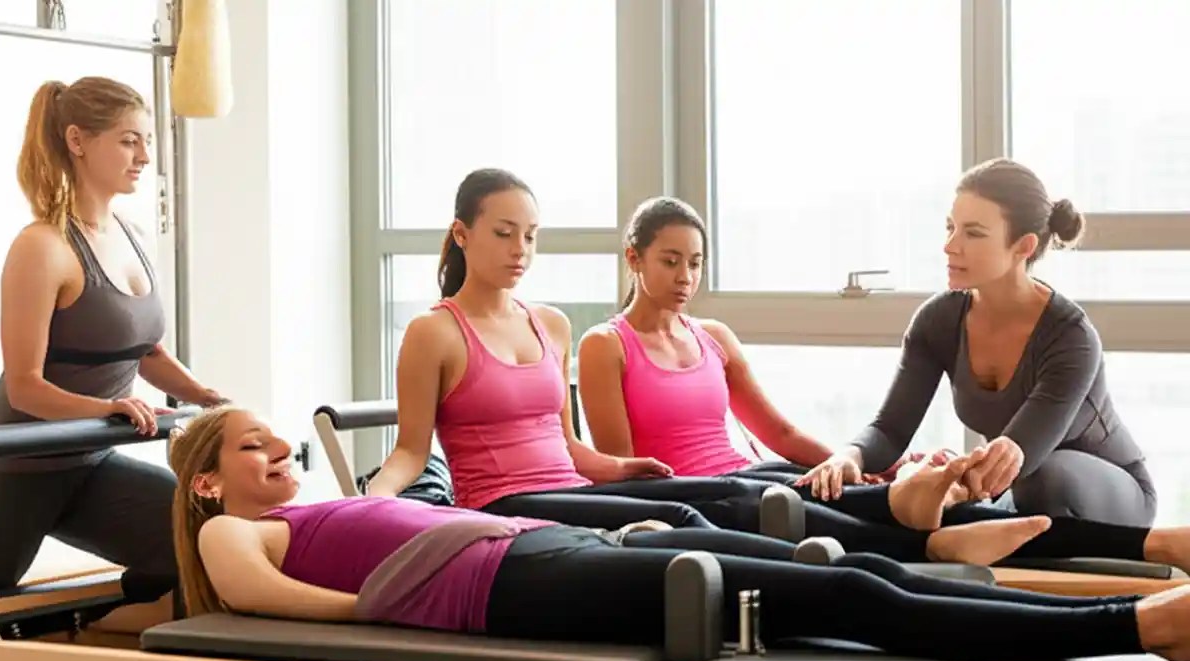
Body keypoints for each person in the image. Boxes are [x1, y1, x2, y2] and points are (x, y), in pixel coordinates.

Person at [361, 168, 1056, 568]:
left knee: (720, 497)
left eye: (532, 235)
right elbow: (411, 452)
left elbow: (562, 443)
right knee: (694, 504)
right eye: (503, 233)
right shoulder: (433, 333)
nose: (520, 249)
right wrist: (374, 502)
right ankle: (915, 546)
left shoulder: (551, 323)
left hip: (568, 481)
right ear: (462, 234)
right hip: (501, 505)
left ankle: (925, 530)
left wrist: (617, 469)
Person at [170, 405, 1190, 661]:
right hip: (504, 592)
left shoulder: (301, 512)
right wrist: (380, 608)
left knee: (845, 561)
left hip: (537, 547)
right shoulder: (235, 536)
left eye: (282, 446)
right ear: (208, 480)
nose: (280, 458)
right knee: (844, 602)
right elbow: (253, 598)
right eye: (254, 449)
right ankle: (1133, 627)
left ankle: (1115, 612)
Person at [576, 194, 1190, 573]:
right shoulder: (607, 345)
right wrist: (860, 458)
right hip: (695, 492)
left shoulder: (713, 336)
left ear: (1023, 246)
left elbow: (781, 433)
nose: (686, 275)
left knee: (835, 498)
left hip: (1076, 479)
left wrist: (851, 469)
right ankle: (943, 540)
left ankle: (944, 528)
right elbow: (625, 469)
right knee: (852, 510)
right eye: (670, 260)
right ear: (634, 258)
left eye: (696, 262)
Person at [0, 77, 224, 619]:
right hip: (18, 468)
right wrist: (110, 410)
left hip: (91, 461)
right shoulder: (43, 247)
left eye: (147, 139)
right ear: (78, 141)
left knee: (203, 533)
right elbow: (25, 385)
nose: (145, 155)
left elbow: (146, 352)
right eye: (129, 140)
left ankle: (109, 632)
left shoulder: (132, 235)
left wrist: (204, 394)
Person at [803, 158, 1157, 527]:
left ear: (1023, 246)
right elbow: (890, 429)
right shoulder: (937, 321)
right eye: (950, 228)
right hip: (1017, 485)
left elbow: (1021, 453)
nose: (950, 246)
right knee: (939, 499)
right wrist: (849, 457)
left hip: (1109, 492)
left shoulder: (1071, 337)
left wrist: (950, 481)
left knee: (1040, 478)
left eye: (973, 233)